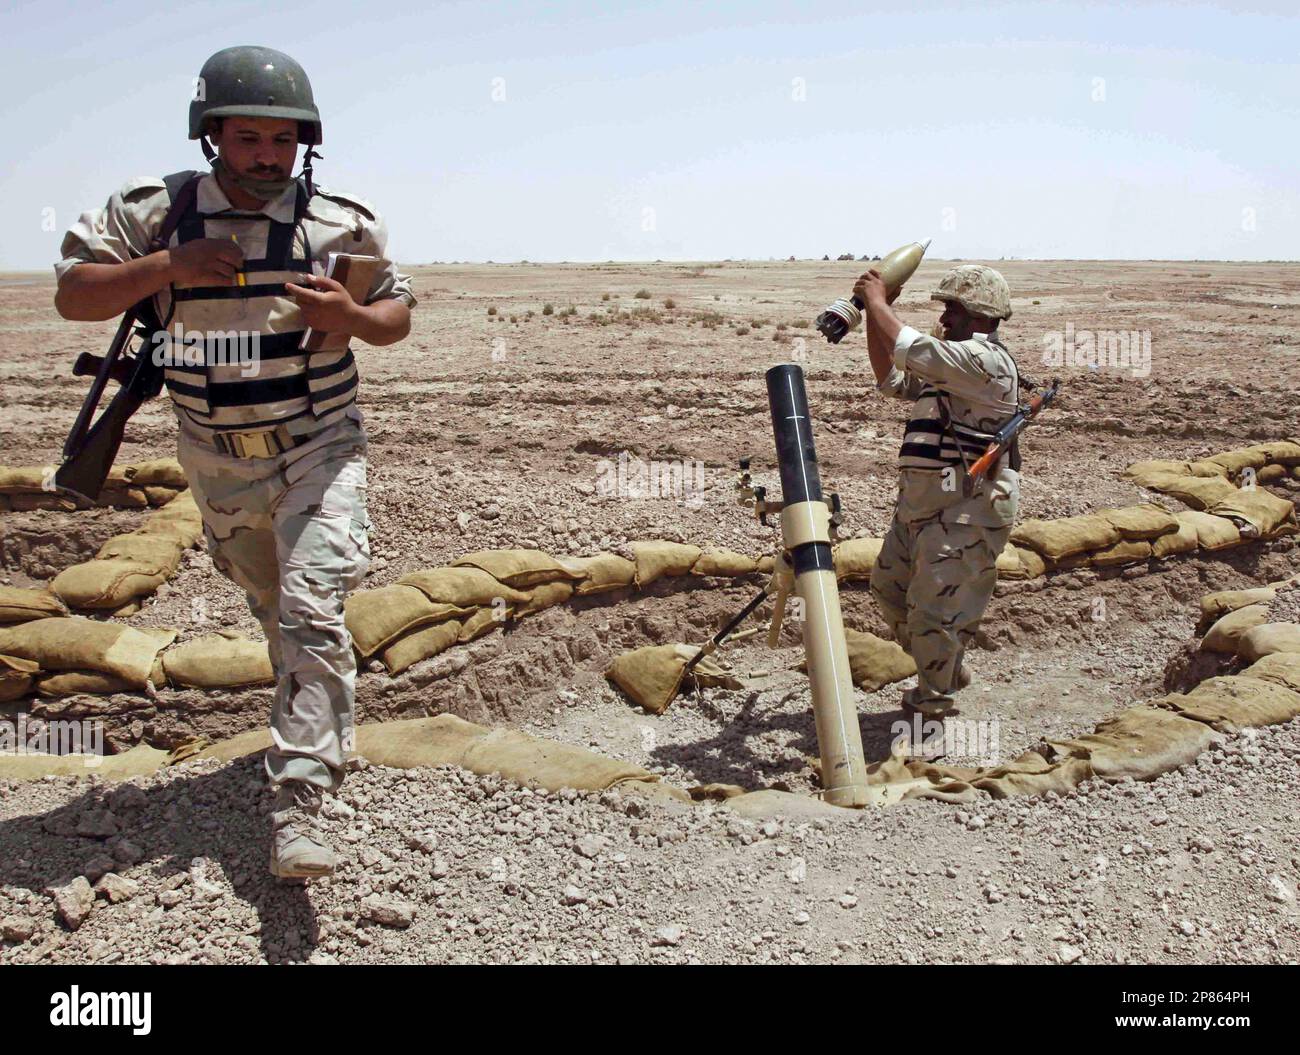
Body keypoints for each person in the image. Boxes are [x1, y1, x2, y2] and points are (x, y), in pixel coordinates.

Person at [54, 45, 416, 878]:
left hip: (320, 443)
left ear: (304, 145)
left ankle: (302, 802)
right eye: (247, 137)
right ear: (212, 135)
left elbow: (397, 314)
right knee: (273, 612)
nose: (265, 155)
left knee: (310, 606)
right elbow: (75, 293)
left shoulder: (340, 222)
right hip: (216, 460)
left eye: (282, 141)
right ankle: (308, 714)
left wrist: (354, 316)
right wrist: (166, 268)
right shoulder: (153, 215)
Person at [854, 264, 1020, 748]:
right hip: (920, 508)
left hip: (964, 512)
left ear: (977, 313)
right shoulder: (950, 367)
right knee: (887, 588)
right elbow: (890, 376)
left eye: (952, 309)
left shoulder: (984, 363)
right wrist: (871, 313)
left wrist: (880, 300)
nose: (944, 318)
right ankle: (945, 667)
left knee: (934, 614)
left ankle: (929, 712)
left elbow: (910, 345)